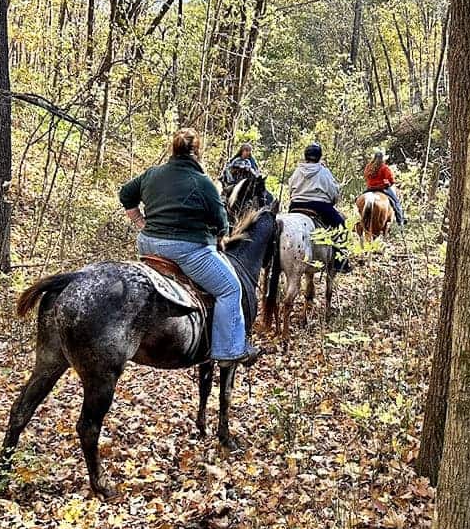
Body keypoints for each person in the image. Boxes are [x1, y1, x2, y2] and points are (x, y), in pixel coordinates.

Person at [119, 128, 260, 366]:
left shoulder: (152, 174)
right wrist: (220, 235)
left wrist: (140, 222)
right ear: (197, 151)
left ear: (173, 149)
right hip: (187, 252)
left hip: (148, 245)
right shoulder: (203, 182)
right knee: (230, 288)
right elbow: (221, 222)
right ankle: (229, 350)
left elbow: (126, 194)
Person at [288, 142, 350, 273]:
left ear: (306, 156)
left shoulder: (298, 171)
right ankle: (340, 263)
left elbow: (290, 187)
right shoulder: (324, 171)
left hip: (296, 205)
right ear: (319, 156)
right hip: (319, 206)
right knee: (341, 226)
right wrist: (332, 201)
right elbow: (333, 191)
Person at [363, 150, 405, 225]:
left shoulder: (368, 167)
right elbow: (391, 179)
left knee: (359, 199)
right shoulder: (384, 167)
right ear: (382, 159)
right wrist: (388, 183)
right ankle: (400, 221)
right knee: (396, 202)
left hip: (370, 188)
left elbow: (365, 176)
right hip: (382, 188)